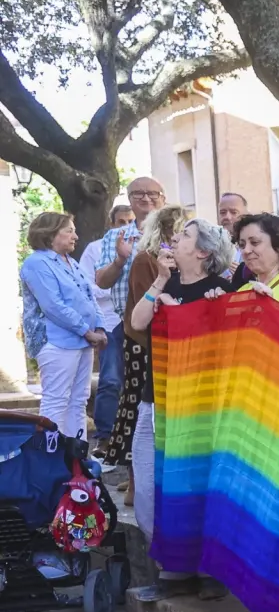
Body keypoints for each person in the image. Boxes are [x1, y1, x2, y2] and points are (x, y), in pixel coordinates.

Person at [125, 218, 233, 565]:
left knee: (195, 487)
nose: (174, 237)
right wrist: (158, 282)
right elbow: (138, 323)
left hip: (201, 407)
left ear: (202, 251)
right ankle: (167, 560)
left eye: (184, 234)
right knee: (146, 487)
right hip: (155, 400)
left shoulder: (219, 289)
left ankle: (201, 568)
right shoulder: (165, 283)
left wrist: (209, 309)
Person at [104, 205, 189, 469]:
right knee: (137, 402)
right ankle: (131, 473)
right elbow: (144, 306)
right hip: (141, 341)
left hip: (163, 340)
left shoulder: (177, 260)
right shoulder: (145, 259)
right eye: (181, 230)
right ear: (166, 229)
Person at [83, 175, 164, 452]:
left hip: (167, 319)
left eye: (153, 193)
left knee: (157, 388)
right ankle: (118, 449)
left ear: (163, 197)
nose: (146, 198)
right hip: (124, 323)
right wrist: (119, 259)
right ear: (129, 199)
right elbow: (101, 281)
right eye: (139, 193)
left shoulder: (175, 231)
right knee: (124, 385)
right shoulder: (115, 236)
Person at [21, 213, 108, 440]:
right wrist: (86, 331)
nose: (75, 236)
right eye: (68, 231)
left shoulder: (71, 262)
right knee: (56, 400)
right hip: (56, 341)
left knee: (79, 401)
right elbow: (53, 306)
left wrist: (99, 327)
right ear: (49, 234)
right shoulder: (37, 263)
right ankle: (51, 460)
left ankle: (76, 461)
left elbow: (89, 297)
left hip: (82, 340)